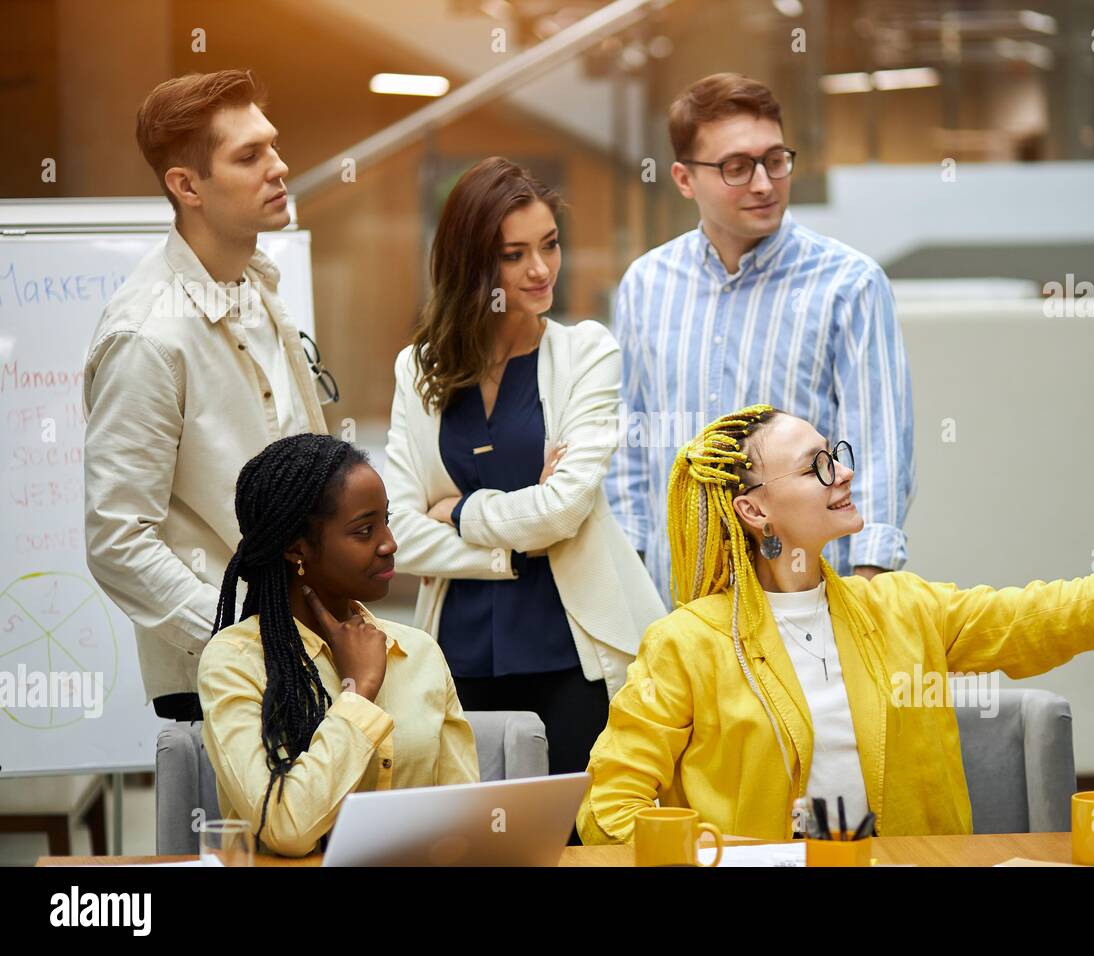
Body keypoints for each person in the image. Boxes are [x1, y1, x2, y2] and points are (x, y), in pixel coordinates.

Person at [578, 405, 1094, 842]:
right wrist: (729, 853)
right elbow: (608, 811)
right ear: (754, 510)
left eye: (838, 456)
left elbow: (1059, 613)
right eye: (816, 467)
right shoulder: (687, 644)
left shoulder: (901, 609)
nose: (843, 475)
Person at [384, 157, 664, 780]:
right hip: (455, 651)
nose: (541, 269)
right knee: (470, 843)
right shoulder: (419, 369)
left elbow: (563, 509)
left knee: (576, 841)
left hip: (572, 652)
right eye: (514, 254)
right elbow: (397, 529)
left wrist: (458, 511)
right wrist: (507, 552)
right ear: (471, 263)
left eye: (550, 245)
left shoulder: (588, 352)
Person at [605, 73, 913, 606]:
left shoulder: (849, 282)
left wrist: (870, 576)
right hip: (679, 592)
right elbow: (632, 438)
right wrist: (628, 571)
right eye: (736, 167)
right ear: (683, 178)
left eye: (775, 160)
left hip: (809, 592)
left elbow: (879, 441)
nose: (765, 183)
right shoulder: (646, 283)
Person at [83, 70, 328, 721]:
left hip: (303, 648)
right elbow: (117, 540)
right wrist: (239, 640)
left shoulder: (258, 283)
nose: (279, 167)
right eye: (248, 156)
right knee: (225, 830)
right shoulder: (148, 334)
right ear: (186, 186)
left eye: (272, 145)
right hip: (218, 678)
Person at [198, 434, 477, 857]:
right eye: (364, 531)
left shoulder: (418, 652)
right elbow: (285, 826)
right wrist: (358, 693)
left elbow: (465, 823)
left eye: (387, 520)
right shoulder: (236, 662)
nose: (389, 543)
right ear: (297, 549)